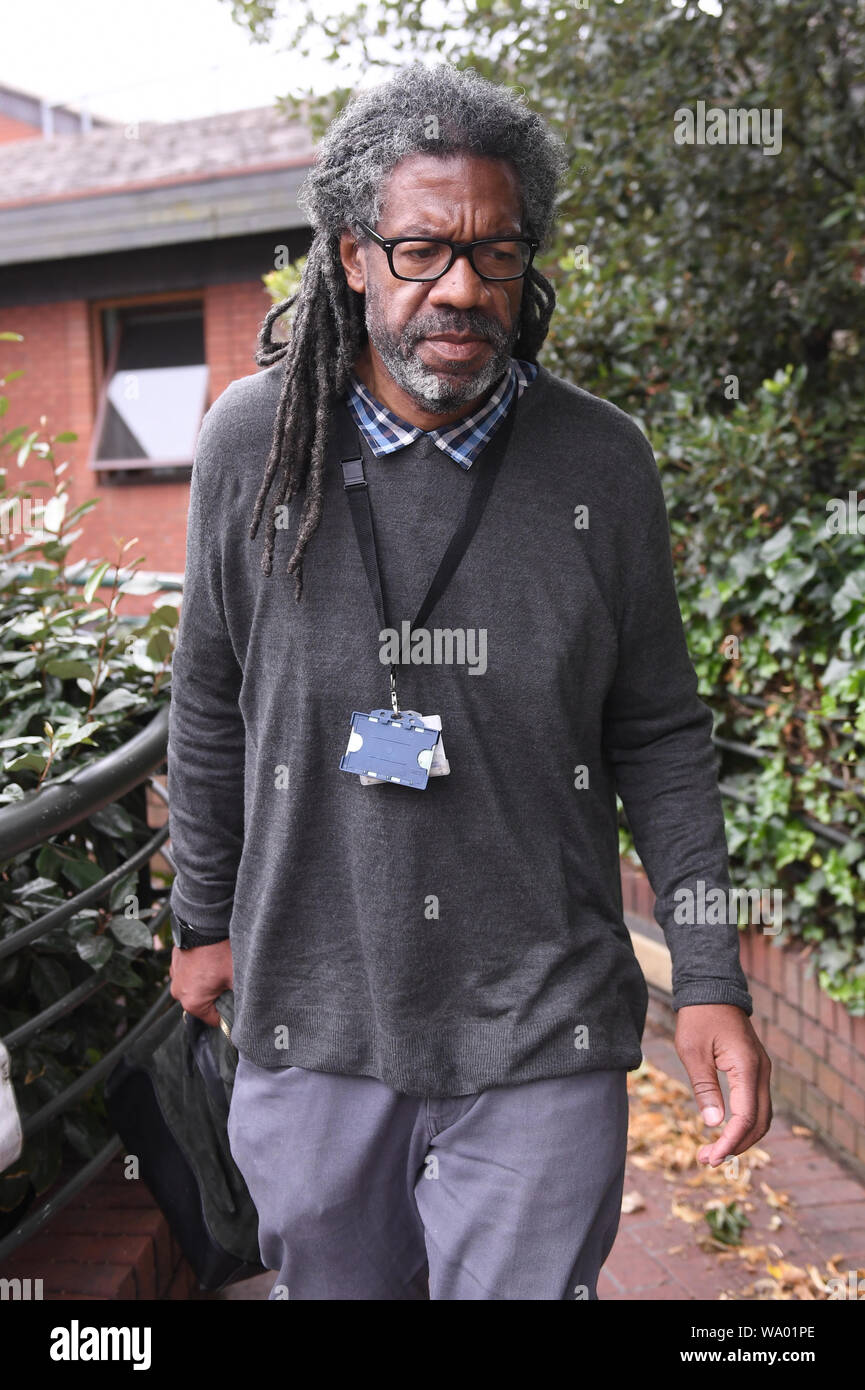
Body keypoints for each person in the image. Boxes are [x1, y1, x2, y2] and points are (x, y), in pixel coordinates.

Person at [167, 62, 771, 1301]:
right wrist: (200, 921)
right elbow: (209, 703)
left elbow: (659, 732)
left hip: (543, 1015)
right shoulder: (252, 441)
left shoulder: (603, 460)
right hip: (313, 1008)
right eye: (420, 248)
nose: (459, 286)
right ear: (349, 257)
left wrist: (706, 974)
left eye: (495, 254)